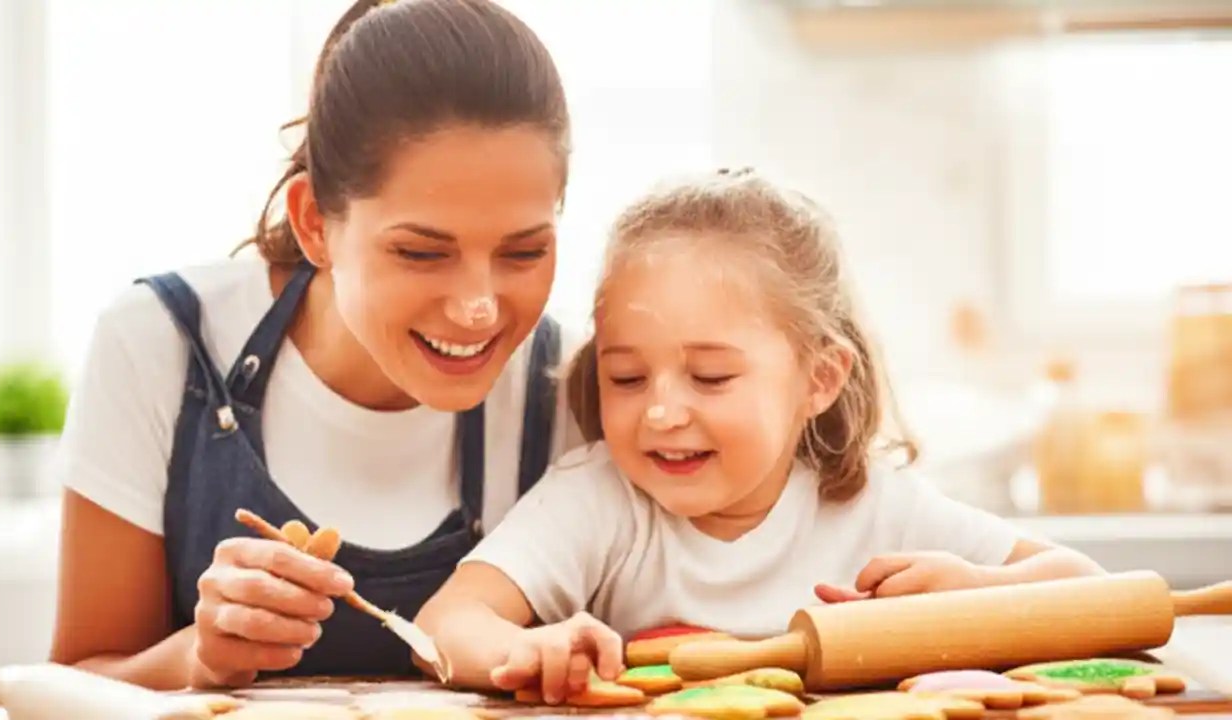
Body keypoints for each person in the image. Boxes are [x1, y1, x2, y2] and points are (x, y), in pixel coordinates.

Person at [48, 0, 583, 690]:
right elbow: (69, 686)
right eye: (422, 253)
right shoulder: (162, 346)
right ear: (314, 224)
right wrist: (200, 658)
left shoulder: (569, 385)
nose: (478, 307)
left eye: (524, 251)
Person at [415, 169, 1106, 703]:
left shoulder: (878, 508)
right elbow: (445, 624)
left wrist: (980, 587)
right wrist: (525, 650)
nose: (660, 413)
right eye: (626, 378)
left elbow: (1091, 592)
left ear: (820, 378)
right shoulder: (600, 502)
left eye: (710, 377)